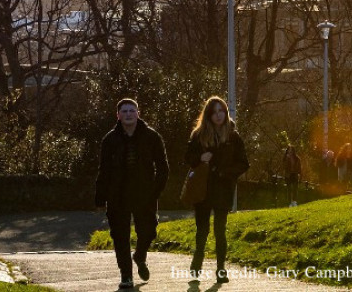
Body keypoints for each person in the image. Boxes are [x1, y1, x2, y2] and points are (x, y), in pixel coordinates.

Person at [94, 98, 169, 289]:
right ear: (118, 115)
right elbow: (103, 170)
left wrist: (155, 191)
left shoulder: (152, 137)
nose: (128, 114)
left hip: (145, 193)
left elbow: (163, 167)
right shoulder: (110, 139)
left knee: (149, 231)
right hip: (117, 194)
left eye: (132, 110)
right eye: (124, 111)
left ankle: (140, 255)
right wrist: (100, 198)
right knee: (120, 236)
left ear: (138, 113)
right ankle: (126, 275)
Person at [184, 96, 249, 284]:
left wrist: (224, 173)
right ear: (209, 115)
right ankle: (197, 263)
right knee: (201, 230)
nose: (219, 115)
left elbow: (243, 163)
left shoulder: (233, 136)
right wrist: (200, 158)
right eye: (215, 112)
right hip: (202, 187)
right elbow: (188, 157)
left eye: (222, 111)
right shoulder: (199, 134)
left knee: (220, 230)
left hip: (223, 188)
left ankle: (221, 269)